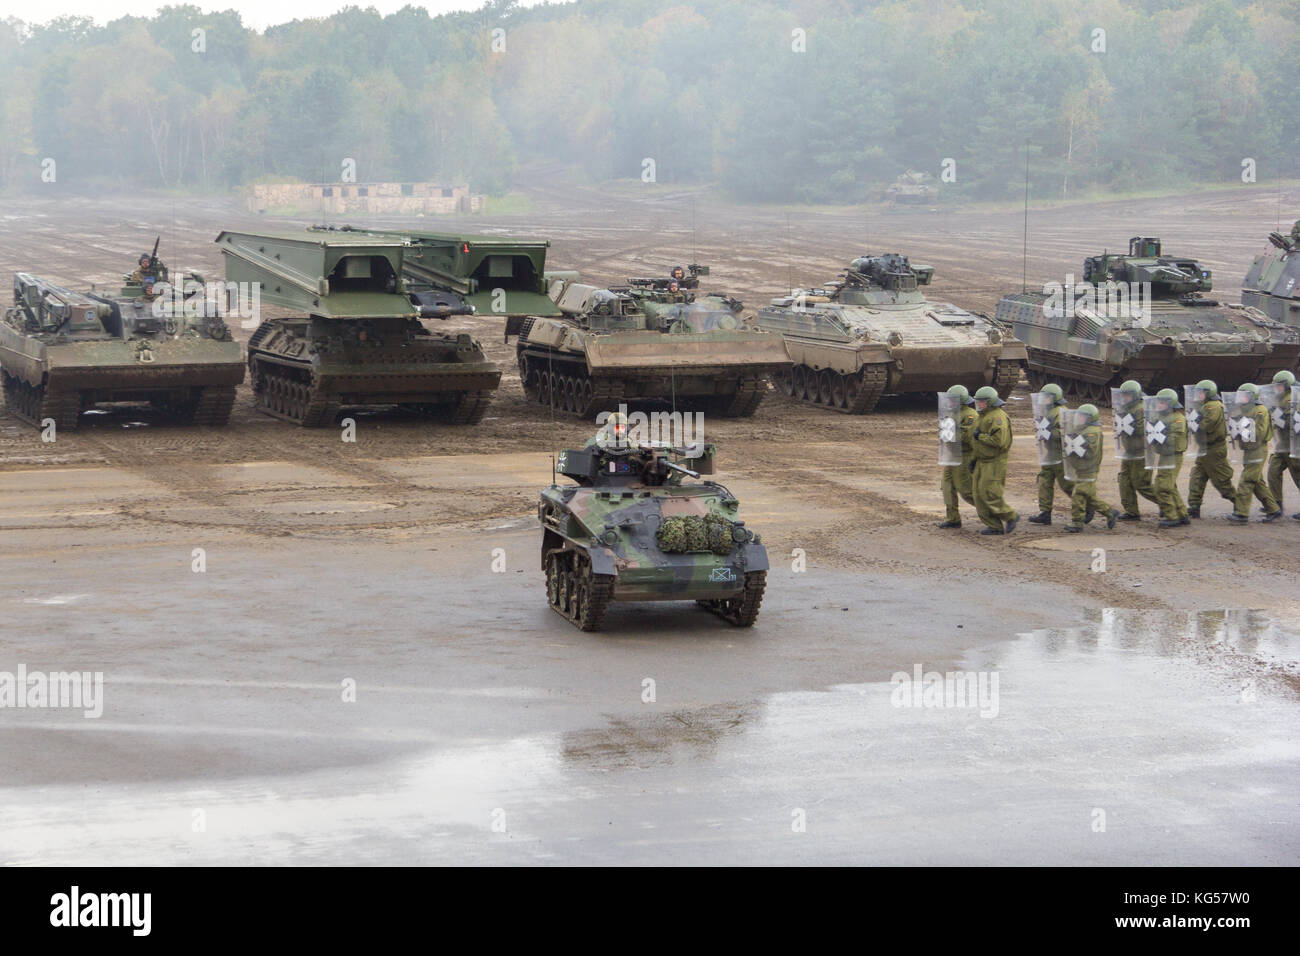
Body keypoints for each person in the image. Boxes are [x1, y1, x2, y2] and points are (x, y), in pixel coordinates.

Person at [1062, 403, 1120, 533]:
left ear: (1090, 418)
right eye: (1079, 416)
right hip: (1082, 469)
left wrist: (1074, 445)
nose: (1079, 419)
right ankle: (1109, 512)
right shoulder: (1083, 429)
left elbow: (1089, 452)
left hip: (1088, 469)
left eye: (1083, 417)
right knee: (1088, 496)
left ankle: (1077, 522)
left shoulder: (1091, 433)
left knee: (1078, 494)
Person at [1228, 382, 1280, 523]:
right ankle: (1273, 509)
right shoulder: (1243, 409)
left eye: (1244, 396)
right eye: (1240, 395)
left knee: (1247, 479)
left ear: (1252, 397)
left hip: (1258, 450)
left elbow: (1259, 433)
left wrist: (1241, 430)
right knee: (1257, 481)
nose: (1241, 398)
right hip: (1249, 449)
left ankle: (1241, 514)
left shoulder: (1260, 410)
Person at [970, 385, 1018, 535]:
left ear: (990, 402)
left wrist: (981, 437)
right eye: (978, 401)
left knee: (989, 492)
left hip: (994, 461)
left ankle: (1010, 516)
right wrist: (974, 459)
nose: (978, 404)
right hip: (982, 460)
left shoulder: (997, 417)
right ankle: (994, 526)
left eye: (982, 402)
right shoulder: (983, 416)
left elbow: (1000, 441)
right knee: (977, 494)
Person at [1027, 383, 1074, 524]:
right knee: (1044, 481)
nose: (1043, 400)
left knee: (1067, 485)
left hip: (1060, 455)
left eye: (1047, 397)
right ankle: (1045, 512)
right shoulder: (1047, 411)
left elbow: (1067, 433)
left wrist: (1050, 433)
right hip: (1049, 453)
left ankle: (1087, 505)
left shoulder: (1061, 412)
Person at [1186, 379, 1235, 517]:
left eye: (1201, 393)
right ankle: (1194, 506)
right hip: (1205, 448)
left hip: (1213, 449)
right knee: (1197, 478)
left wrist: (1192, 425)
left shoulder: (1212, 406)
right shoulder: (1205, 405)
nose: (1198, 395)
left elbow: (1207, 425)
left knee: (1221, 482)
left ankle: (1240, 503)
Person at [1112, 379, 1158, 520]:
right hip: (1129, 451)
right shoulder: (1124, 408)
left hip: (1142, 451)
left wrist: (1127, 424)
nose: (1125, 398)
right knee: (1125, 481)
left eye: (1128, 395)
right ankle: (1131, 511)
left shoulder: (1143, 408)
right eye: (1123, 395)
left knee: (1141, 484)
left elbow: (1144, 429)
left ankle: (1170, 504)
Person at [1147, 388, 1189, 528]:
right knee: (1170, 485)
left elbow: (1174, 439)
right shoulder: (1162, 416)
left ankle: (1172, 516)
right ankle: (1182, 513)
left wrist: (1159, 437)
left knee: (1163, 486)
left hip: (1173, 456)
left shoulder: (1177, 418)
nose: (1159, 405)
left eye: (1163, 403)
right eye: (1159, 402)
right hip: (1165, 455)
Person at [938, 384, 977, 528]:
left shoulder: (970, 414)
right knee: (947, 487)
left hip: (964, 456)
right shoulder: (951, 412)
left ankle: (994, 513)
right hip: (951, 455)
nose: (950, 402)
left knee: (966, 490)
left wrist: (951, 431)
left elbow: (967, 437)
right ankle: (953, 518)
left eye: (953, 400)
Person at [1265, 370, 1300, 511]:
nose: (1277, 388)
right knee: (1273, 472)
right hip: (1281, 444)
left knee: (1298, 476)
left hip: (1295, 445)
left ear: (1287, 385)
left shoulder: (1296, 397)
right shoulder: (1278, 398)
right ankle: (1275, 505)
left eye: (1279, 386)